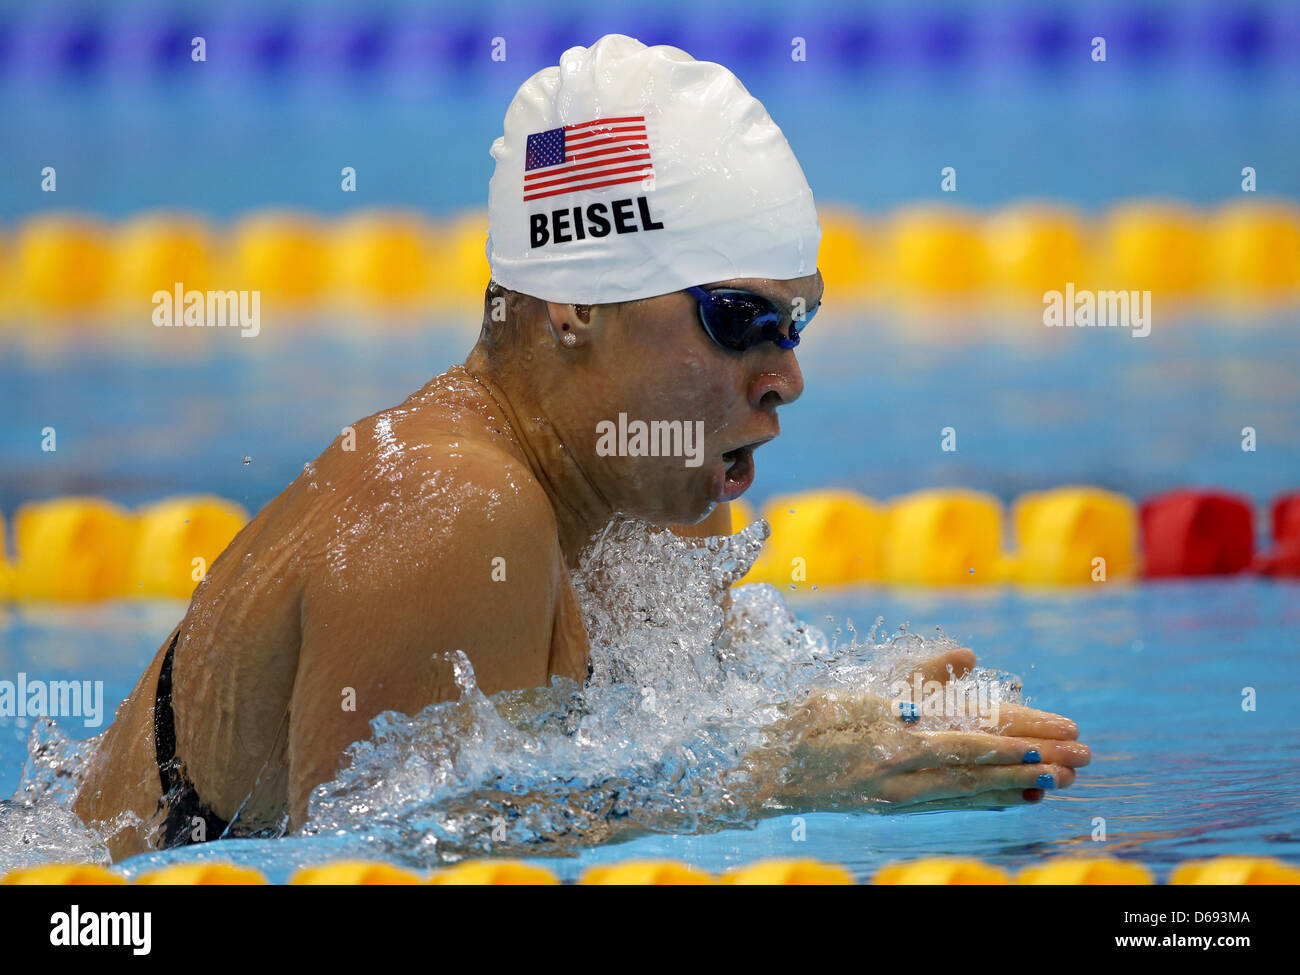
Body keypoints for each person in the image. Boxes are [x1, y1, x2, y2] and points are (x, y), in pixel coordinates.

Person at [73, 34, 1087, 862]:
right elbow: (384, 863)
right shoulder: (450, 509)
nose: (786, 376)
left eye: (797, 322)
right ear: (573, 305)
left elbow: (633, 758)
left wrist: (861, 725)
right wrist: (785, 775)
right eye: (740, 321)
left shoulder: (661, 503)